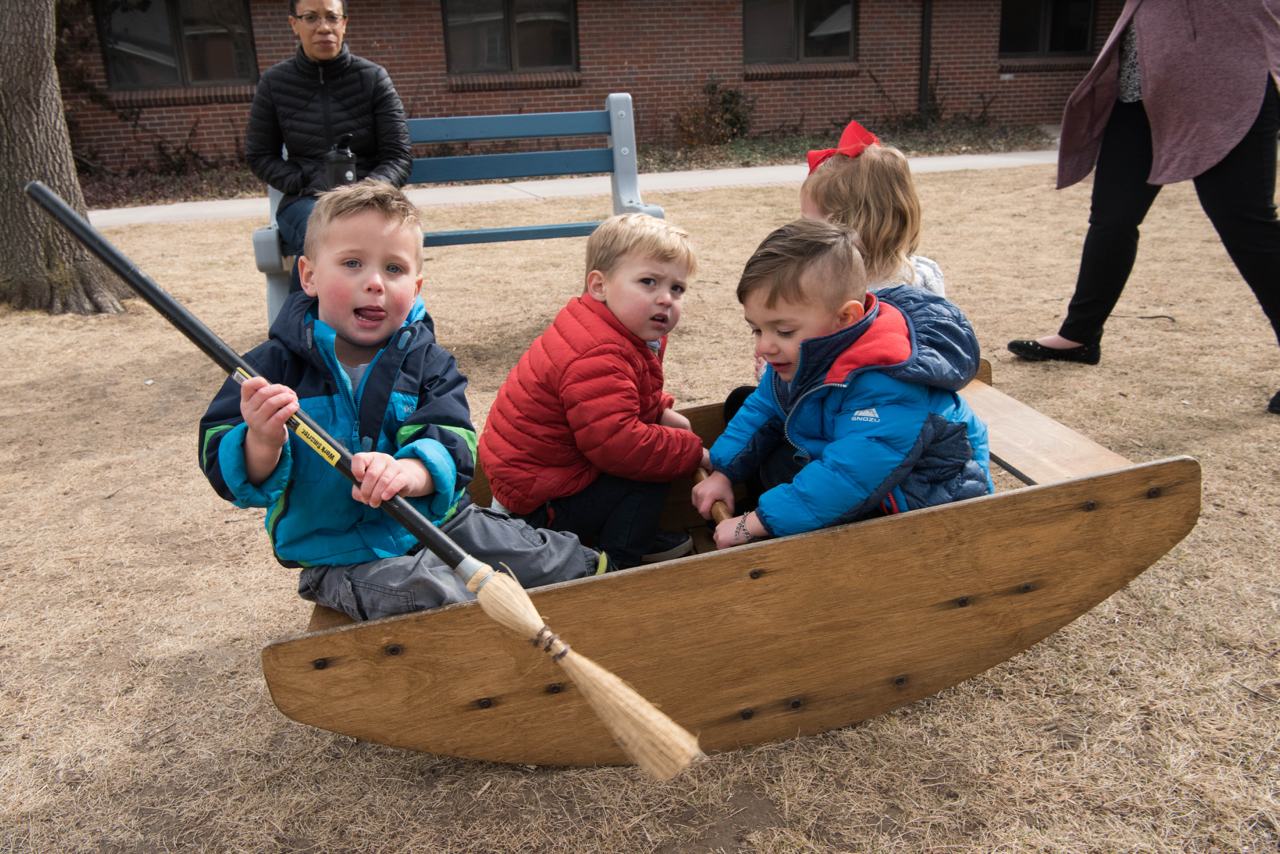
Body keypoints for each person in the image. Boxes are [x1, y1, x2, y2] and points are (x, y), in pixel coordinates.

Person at [198, 181, 604, 622]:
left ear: (416, 285)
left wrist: (408, 473)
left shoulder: (427, 361)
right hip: (342, 554)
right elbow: (223, 464)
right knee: (440, 594)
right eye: (352, 263)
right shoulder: (268, 368)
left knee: (558, 561)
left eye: (394, 269)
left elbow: (453, 440)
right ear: (309, 276)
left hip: (440, 521)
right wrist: (262, 439)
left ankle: (616, 596)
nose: (374, 283)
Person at [1007, 0, 1280, 415]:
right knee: (1112, 220)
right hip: (1139, 92)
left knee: (1248, 228)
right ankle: (1080, 336)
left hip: (1225, 89)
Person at [691, 219, 992, 549]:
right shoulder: (812, 350)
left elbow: (847, 480)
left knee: (825, 513)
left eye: (783, 331)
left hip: (914, 505)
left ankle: (775, 525)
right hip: (850, 469)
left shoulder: (889, 385)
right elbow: (764, 407)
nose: (764, 346)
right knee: (748, 403)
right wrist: (723, 472)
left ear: (845, 318)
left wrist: (755, 523)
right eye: (757, 329)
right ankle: (775, 513)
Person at [478, 214, 710, 569]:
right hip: (538, 510)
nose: (666, 298)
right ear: (599, 286)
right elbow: (620, 446)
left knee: (658, 442)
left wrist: (660, 411)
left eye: (677, 288)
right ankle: (614, 561)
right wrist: (691, 451)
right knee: (652, 463)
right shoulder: (598, 352)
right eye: (649, 282)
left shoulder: (609, 327)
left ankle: (636, 532)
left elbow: (619, 399)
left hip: (542, 481)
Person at [245, 0, 412, 294]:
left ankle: (383, 330)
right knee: (319, 234)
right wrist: (303, 181)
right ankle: (302, 335)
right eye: (311, 17)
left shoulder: (372, 78)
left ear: (344, 23)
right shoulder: (275, 83)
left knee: (364, 240)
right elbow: (260, 155)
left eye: (332, 17)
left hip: (369, 197)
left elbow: (397, 156)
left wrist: (365, 192)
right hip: (305, 201)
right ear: (294, 24)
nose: (324, 27)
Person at [801, 119, 946, 298]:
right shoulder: (926, 274)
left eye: (809, 223)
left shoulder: (839, 293)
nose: (801, 232)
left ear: (852, 226)